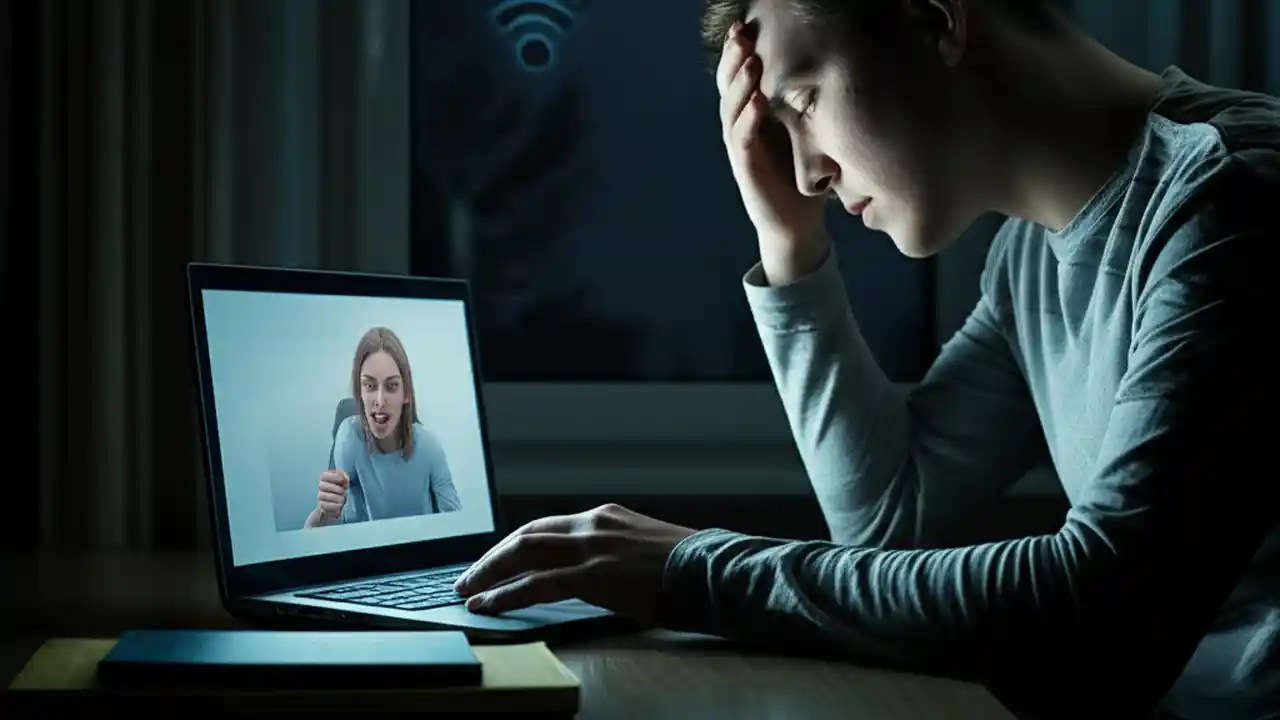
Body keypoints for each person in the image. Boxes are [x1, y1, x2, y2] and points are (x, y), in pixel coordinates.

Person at [451, 1, 1280, 717]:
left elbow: (1101, 609)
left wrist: (692, 570)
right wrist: (788, 246)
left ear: (935, 17)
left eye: (804, 99)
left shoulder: (1233, 201)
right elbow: (893, 521)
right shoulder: (1030, 260)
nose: (805, 171)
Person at [305, 326, 461, 527]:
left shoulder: (429, 445)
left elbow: (456, 524)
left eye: (391, 386)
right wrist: (324, 511)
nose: (379, 400)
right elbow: (322, 530)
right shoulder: (348, 436)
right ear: (359, 391)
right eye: (369, 385)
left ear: (406, 394)